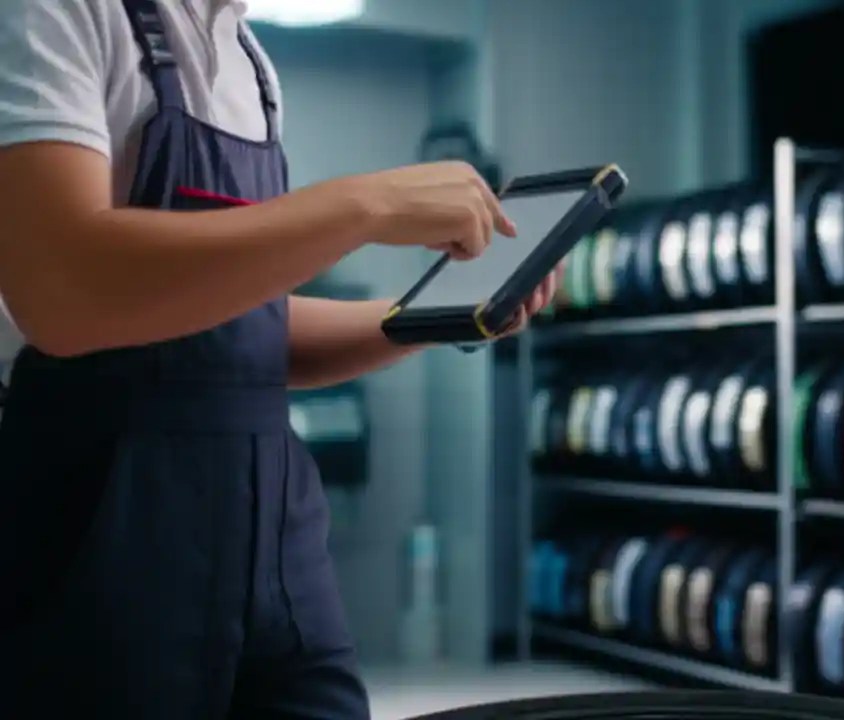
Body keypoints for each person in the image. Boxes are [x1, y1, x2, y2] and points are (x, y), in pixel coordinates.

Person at [0, 1, 559, 717]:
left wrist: (438, 316)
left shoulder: (251, 62)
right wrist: (365, 205)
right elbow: (62, 291)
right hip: (106, 523)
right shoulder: (58, 10)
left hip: (274, 529)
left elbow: (245, 328)